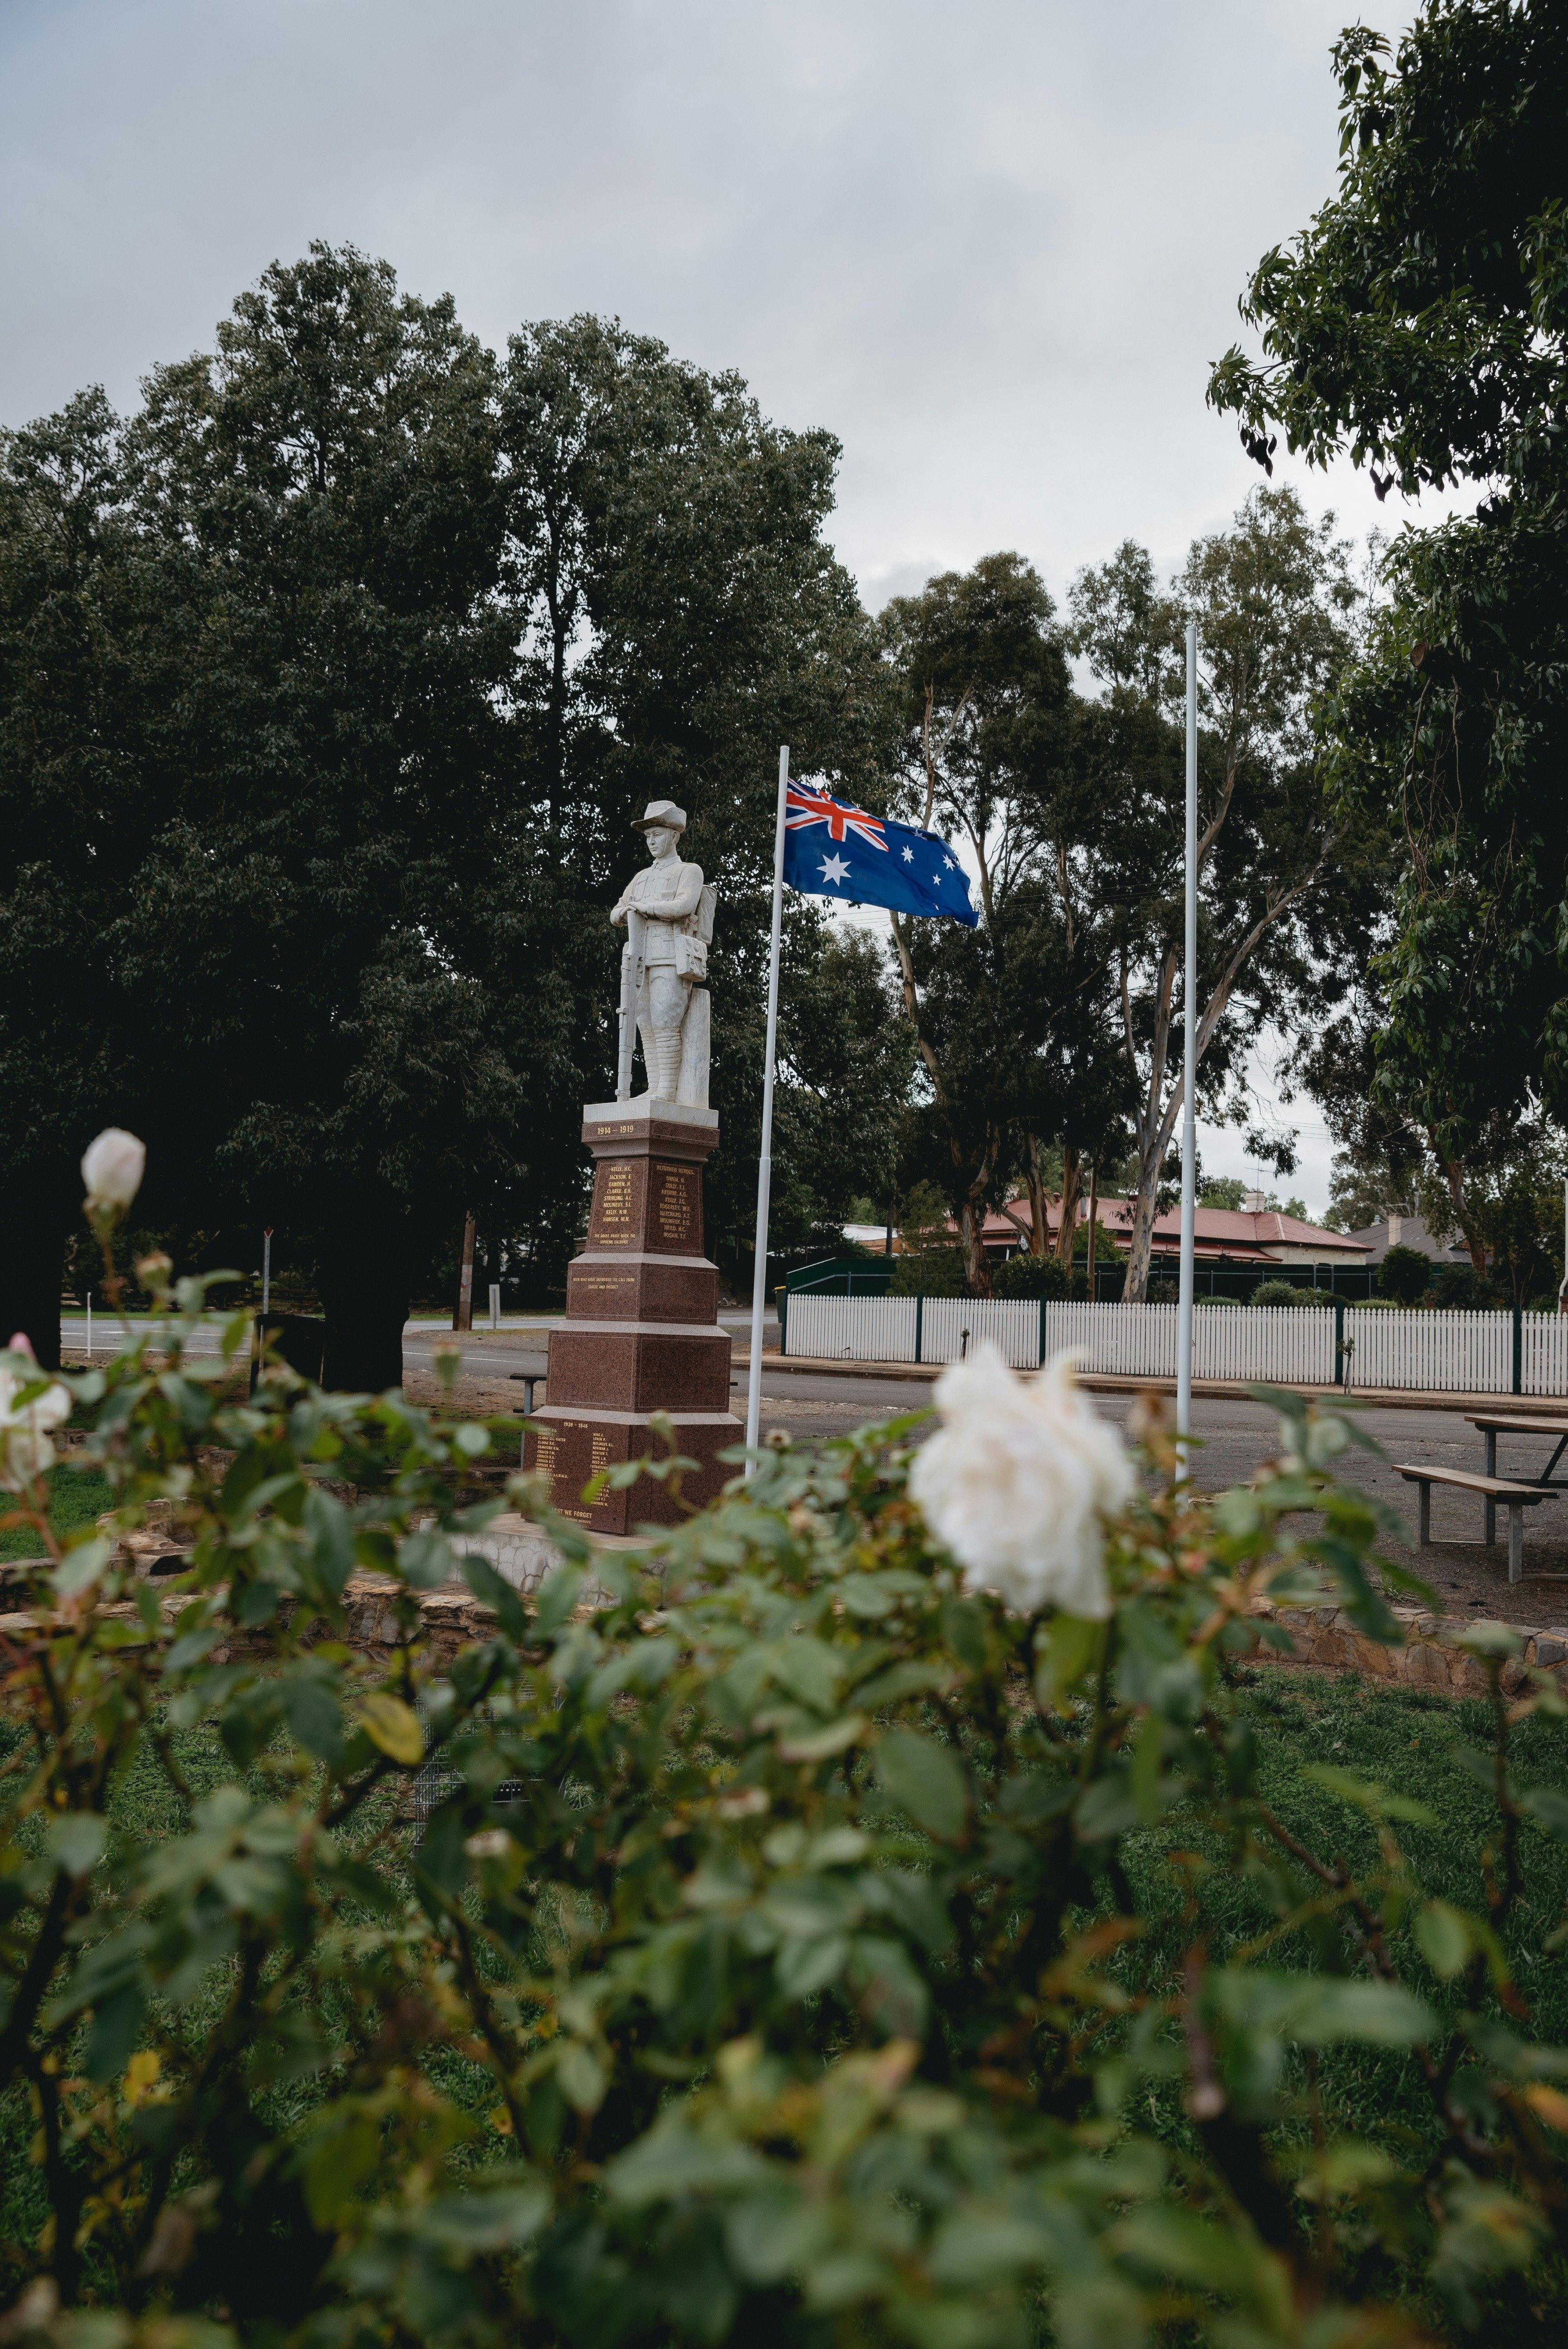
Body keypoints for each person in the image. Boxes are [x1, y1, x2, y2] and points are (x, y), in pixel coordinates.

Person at [610, 800, 712, 1102]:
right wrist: (622, 913)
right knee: (642, 1019)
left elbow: (684, 905)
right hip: (640, 955)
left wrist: (645, 908)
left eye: (658, 834)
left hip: (670, 953)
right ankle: (655, 1087)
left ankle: (668, 1089)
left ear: (674, 835)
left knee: (665, 1018)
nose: (652, 841)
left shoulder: (689, 871)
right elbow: (618, 908)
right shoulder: (641, 877)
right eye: (649, 835)